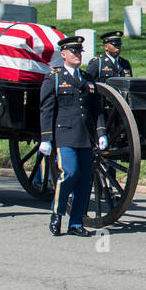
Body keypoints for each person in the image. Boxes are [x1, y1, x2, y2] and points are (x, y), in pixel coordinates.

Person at [39, 36, 107, 237]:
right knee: (69, 173)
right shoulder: (55, 78)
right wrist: (46, 138)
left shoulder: (87, 79)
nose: (77, 55)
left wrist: (101, 132)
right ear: (63, 55)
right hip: (65, 134)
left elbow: (97, 109)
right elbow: (47, 109)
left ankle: (76, 222)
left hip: (85, 137)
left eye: (79, 51)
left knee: (85, 180)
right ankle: (57, 213)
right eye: (73, 51)